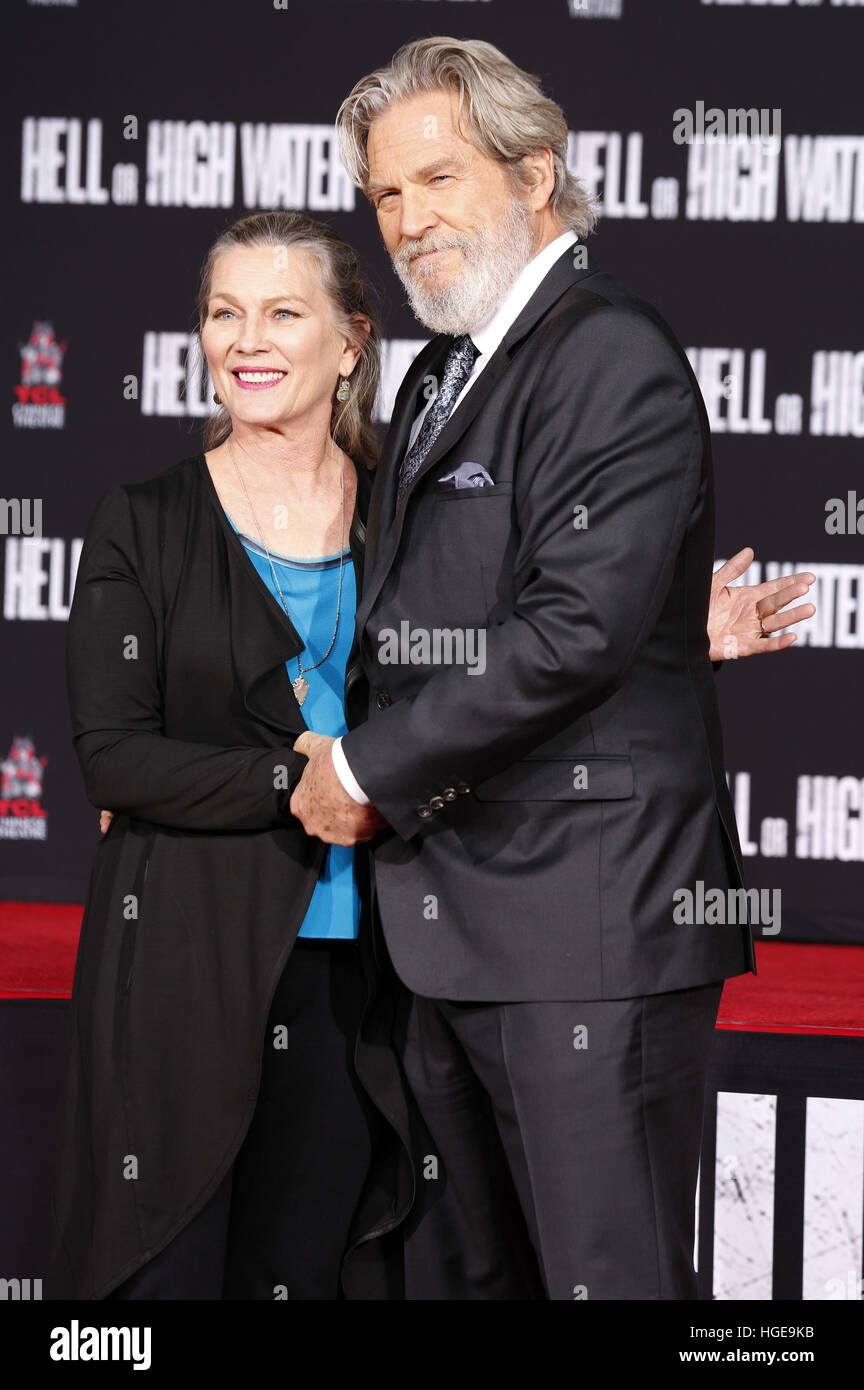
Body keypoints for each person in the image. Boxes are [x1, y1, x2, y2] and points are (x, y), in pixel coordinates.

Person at [289, 36, 817, 1300]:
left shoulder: (611, 352)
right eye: (385, 195)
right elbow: (475, 609)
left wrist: (362, 765)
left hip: (586, 936)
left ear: (534, 175)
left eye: (437, 180)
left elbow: (572, 632)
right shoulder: (436, 379)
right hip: (447, 934)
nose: (407, 222)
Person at [50, 210, 412, 1301]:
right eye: (223, 312)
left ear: (350, 342)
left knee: (300, 1271)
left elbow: (508, 682)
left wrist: (682, 643)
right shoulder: (143, 523)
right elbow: (114, 758)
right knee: (147, 1284)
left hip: (363, 974)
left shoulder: (409, 517)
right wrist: (295, 777)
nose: (245, 339)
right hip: (176, 961)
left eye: (281, 312)